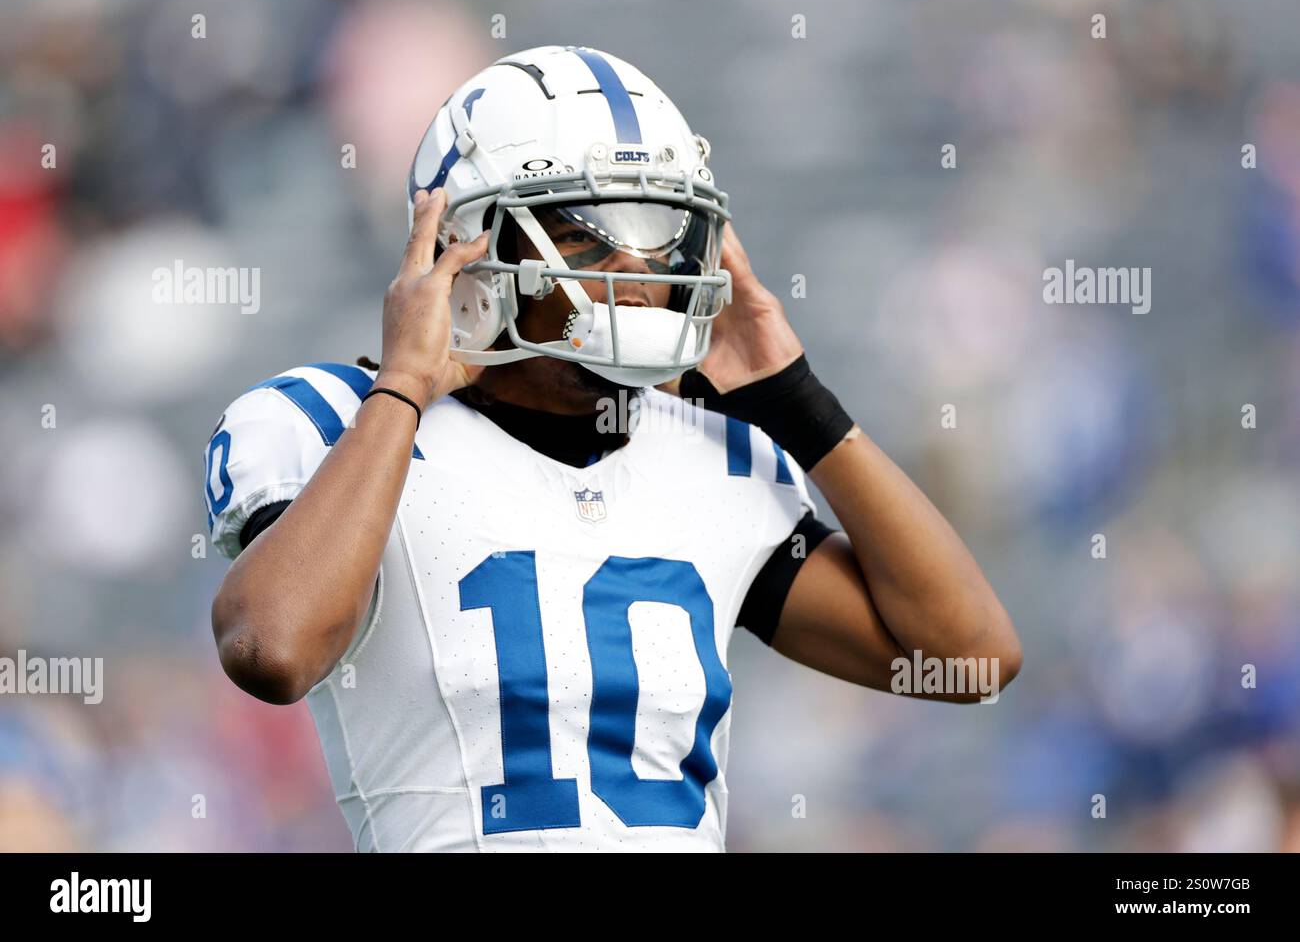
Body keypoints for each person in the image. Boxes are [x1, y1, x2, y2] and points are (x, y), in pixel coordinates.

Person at [204, 45, 1020, 851]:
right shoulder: (330, 422)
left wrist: (798, 403)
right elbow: (272, 650)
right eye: (585, 235)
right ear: (470, 247)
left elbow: (971, 659)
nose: (637, 269)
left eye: (661, 230)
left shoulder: (716, 457)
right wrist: (403, 391)